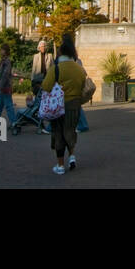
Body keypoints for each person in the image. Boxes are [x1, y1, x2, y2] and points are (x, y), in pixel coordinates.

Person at [41, 34, 87, 175]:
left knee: (58, 135)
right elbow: (83, 86)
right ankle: (72, 156)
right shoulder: (79, 69)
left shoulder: (56, 68)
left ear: (61, 52)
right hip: (74, 105)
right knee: (70, 131)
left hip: (58, 105)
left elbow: (46, 86)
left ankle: (60, 166)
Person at [0, 44, 18, 130]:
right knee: (0, 105)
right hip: (4, 87)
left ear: (5, 51)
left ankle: (14, 122)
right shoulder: (4, 60)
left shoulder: (7, 61)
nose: (0, 51)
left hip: (6, 87)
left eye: (2, 50)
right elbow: (0, 69)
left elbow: (5, 75)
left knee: (8, 106)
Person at [31, 39, 53, 133]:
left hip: (47, 79)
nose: (43, 47)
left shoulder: (50, 56)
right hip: (38, 80)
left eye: (44, 46)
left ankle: (46, 120)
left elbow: (52, 68)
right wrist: (32, 80)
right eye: (41, 46)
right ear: (39, 48)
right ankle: (39, 120)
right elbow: (34, 69)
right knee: (38, 101)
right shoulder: (36, 56)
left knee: (47, 101)